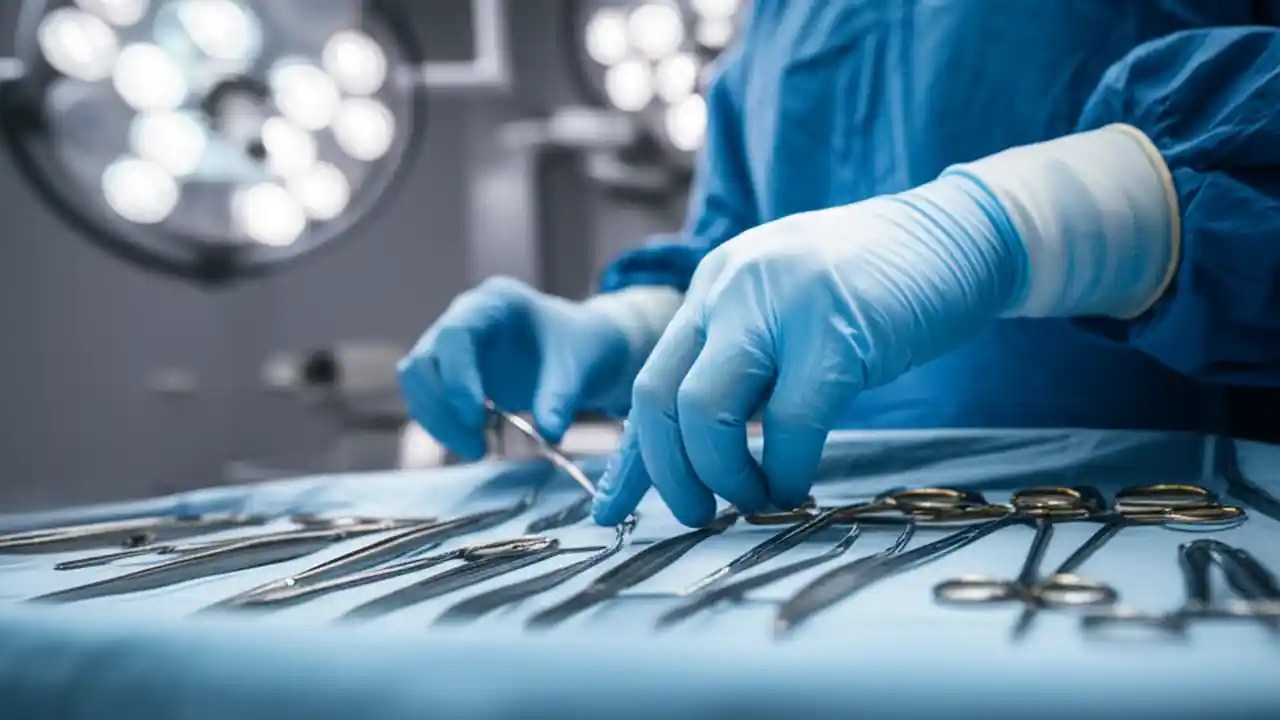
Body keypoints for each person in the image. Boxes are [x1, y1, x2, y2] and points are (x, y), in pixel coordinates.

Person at [399, 1, 1280, 528]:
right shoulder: (780, 14)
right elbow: (751, 253)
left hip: (1158, 515)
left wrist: (1048, 222)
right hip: (826, 530)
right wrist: (626, 329)